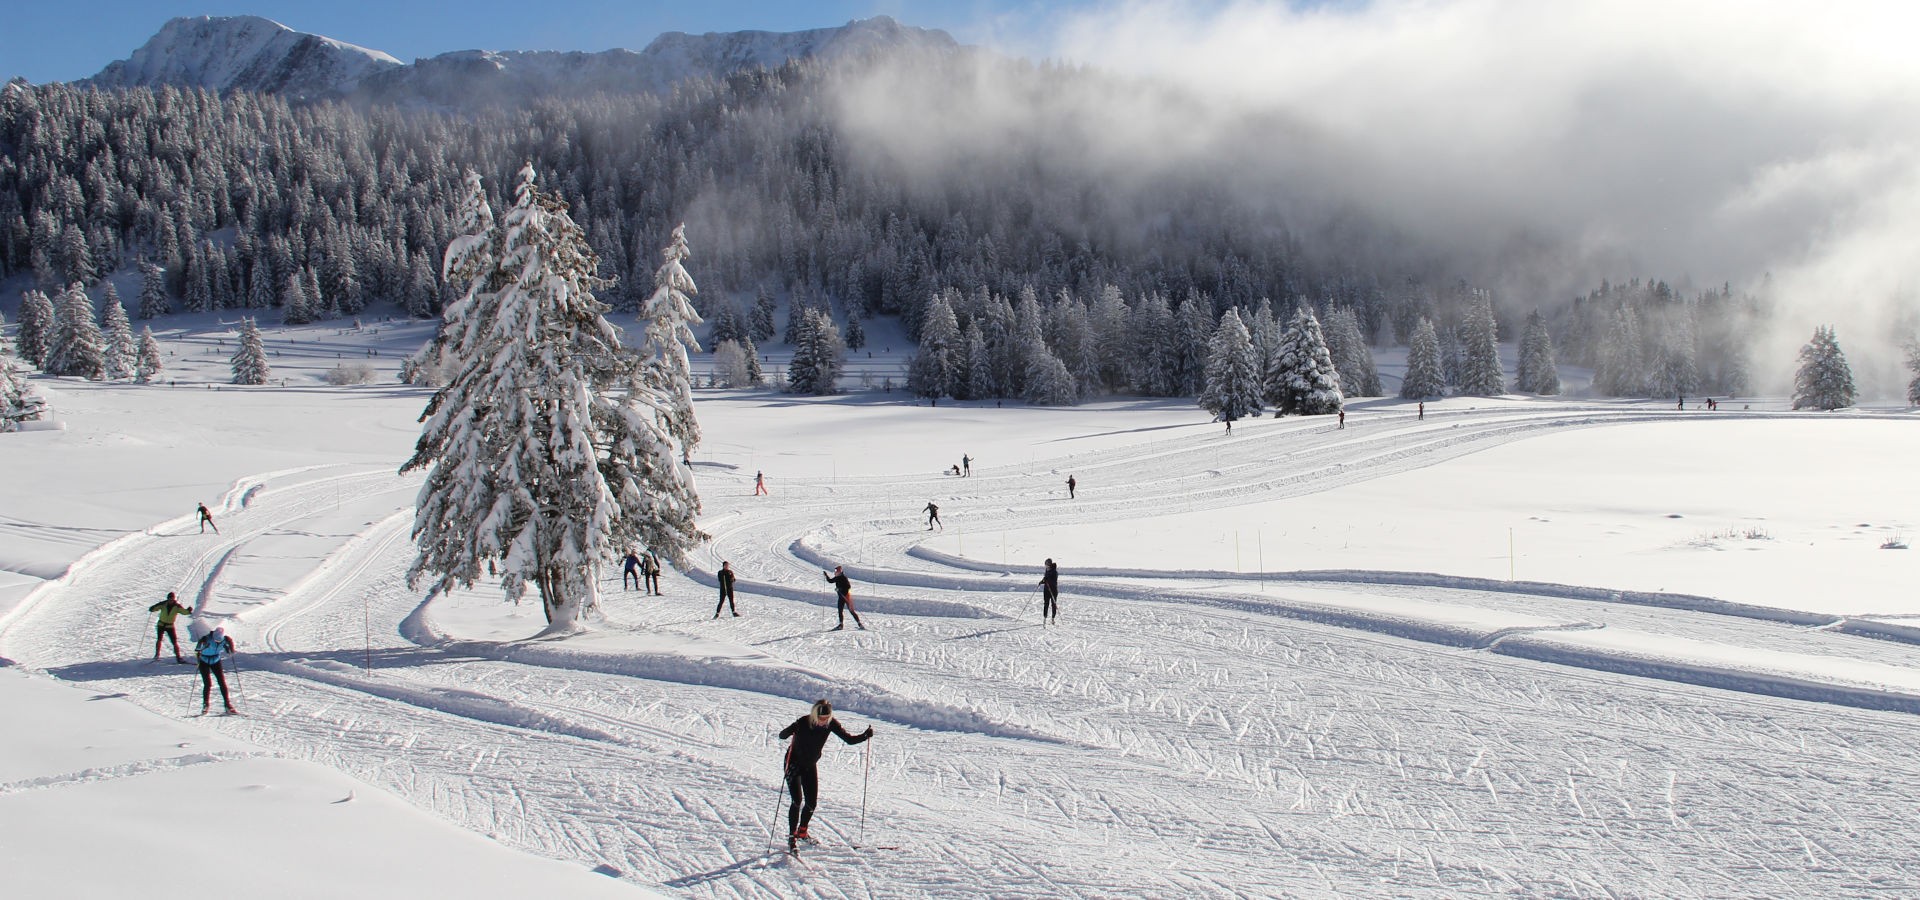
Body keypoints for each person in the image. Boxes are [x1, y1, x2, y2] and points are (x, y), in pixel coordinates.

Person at [779, 699, 872, 852]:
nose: (823, 722)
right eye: (821, 718)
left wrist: (865, 736)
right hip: (794, 764)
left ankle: (802, 832)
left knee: (811, 803)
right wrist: (790, 730)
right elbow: (782, 736)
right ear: (815, 715)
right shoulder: (803, 722)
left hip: (809, 765)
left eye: (826, 718)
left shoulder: (831, 723)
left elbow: (848, 740)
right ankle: (791, 837)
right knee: (797, 800)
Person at [194, 626, 237, 714]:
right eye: (216, 640)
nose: (218, 642)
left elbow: (230, 652)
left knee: (222, 682)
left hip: (216, 661)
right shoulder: (207, 639)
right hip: (204, 661)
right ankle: (205, 705)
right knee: (208, 684)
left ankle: (227, 705)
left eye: (219, 641)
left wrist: (230, 644)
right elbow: (197, 650)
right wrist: (200, 643)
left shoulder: (224, 640)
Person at [149, 591, 192, 662]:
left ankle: (178, 657)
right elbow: (155, 608)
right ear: (168, 599)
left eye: (172, 599)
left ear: (174, 599)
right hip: (161, 625)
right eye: (170, 599)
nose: (171, 600)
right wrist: (152, 608)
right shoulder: (163, 604)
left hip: (170, 626)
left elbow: (184, 612)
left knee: (174, 642)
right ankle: (157, 655)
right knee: (159, 639)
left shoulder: (177, 606)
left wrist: (188, 611)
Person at [822, 565, 865, 631]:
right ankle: (841, 625)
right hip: (841, 597)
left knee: (851, 611)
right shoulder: (837, 577)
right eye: (835, 571)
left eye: (836, 571)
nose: (835, 572)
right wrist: (826, 575)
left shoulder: (843, 578)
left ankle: (860, 624)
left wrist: (840, 589)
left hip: (846, 596)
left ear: (840, 571)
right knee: (840, 610)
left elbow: (848, 586)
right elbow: (830, 581)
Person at [1039, 559, 1060, 624]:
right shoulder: (1047, 571)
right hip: (1046, 590)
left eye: (1047, 565)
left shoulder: (1054, 572)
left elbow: (1054, 581)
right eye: (1045, 565)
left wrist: (1048, 580)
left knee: (1053, 604)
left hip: (1053, 590)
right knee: (1046, 604)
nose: (1046, 566)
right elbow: (1045, 578)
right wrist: (1042, 581)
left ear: (1049, 565)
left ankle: (1053, 619)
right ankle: (1045, 617)